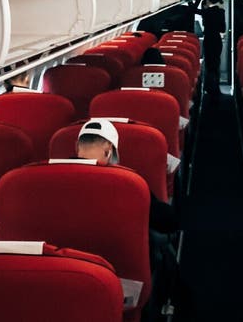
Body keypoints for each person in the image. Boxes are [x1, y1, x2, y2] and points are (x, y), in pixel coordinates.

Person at [76, 119, 180, 319]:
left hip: (60, 276)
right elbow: (169, 222)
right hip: (117, 279)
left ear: (78, 148)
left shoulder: (40, 182)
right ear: (109, 151)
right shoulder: (127, 185)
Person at [201, 0, 225, 96]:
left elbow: (192, 10)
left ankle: (209, 87)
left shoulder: (205, 12)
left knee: (209, 64)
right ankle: (216, 87)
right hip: (217, 40)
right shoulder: (221, 11)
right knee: (216, 63)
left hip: (208, 39)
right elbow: (223, 29)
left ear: (208, 1)